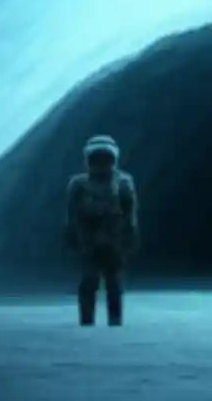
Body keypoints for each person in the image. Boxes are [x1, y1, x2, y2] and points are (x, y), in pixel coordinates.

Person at [65, 134, 139, 326]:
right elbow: (71, 213)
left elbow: (130, 211)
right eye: (96, 159)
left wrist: (129, 234)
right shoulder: (78, 184)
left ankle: (113, 321)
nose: (101, 163)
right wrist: (72, 233)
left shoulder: (122, 182)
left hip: (112, 237)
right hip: (90, 238)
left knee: (113, 283)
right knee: (90, 282)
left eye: (105, 159)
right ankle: (87, 320)